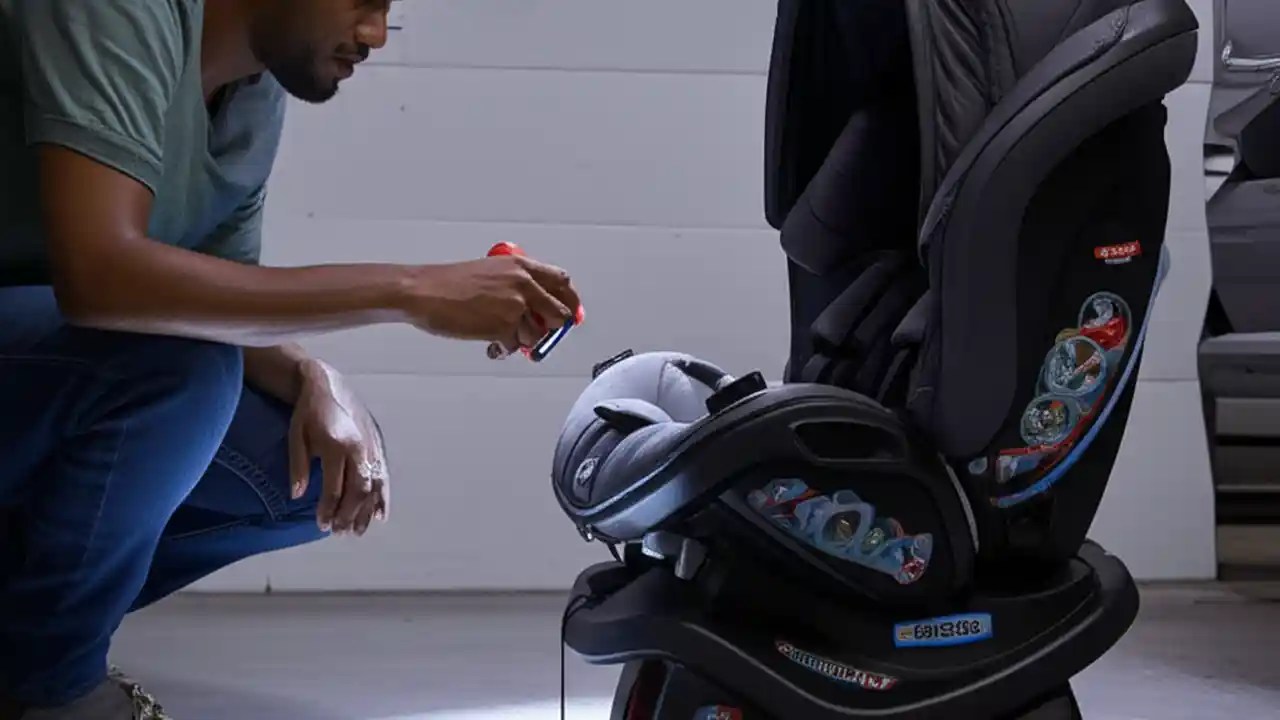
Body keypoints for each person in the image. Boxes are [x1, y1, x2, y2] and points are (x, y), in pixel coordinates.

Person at [0, 1, 582, 718]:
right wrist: (410, 290)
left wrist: (314, 375)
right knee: (178, 376)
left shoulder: (254, 94)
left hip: (38, 374)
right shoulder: (116, 11)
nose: (375, 33)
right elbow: (102, 279)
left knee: (312, 471)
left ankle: (22, 632)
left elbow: (205, 300)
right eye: (364, 2)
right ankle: (46, 688)